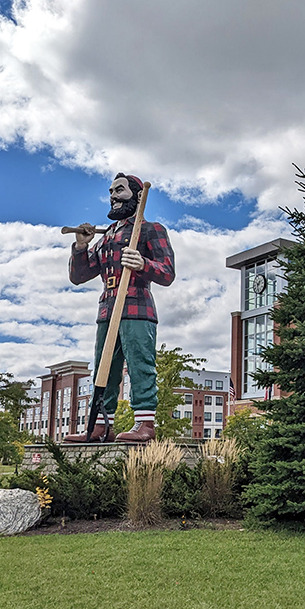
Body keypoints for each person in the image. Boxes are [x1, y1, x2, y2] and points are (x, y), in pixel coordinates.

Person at [64, 172, 175, 443]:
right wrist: (80, 247)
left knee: (140, 365)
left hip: (137, 308)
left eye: (120, 190)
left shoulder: (150, 230)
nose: (113, 196)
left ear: (137, 196)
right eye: (111, 191)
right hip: (108, 309)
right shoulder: (106, 238)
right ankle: (101, 425)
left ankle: (145, 424)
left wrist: (143, 264)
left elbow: (167, 272)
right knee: (105, 369)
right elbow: (79, 276)